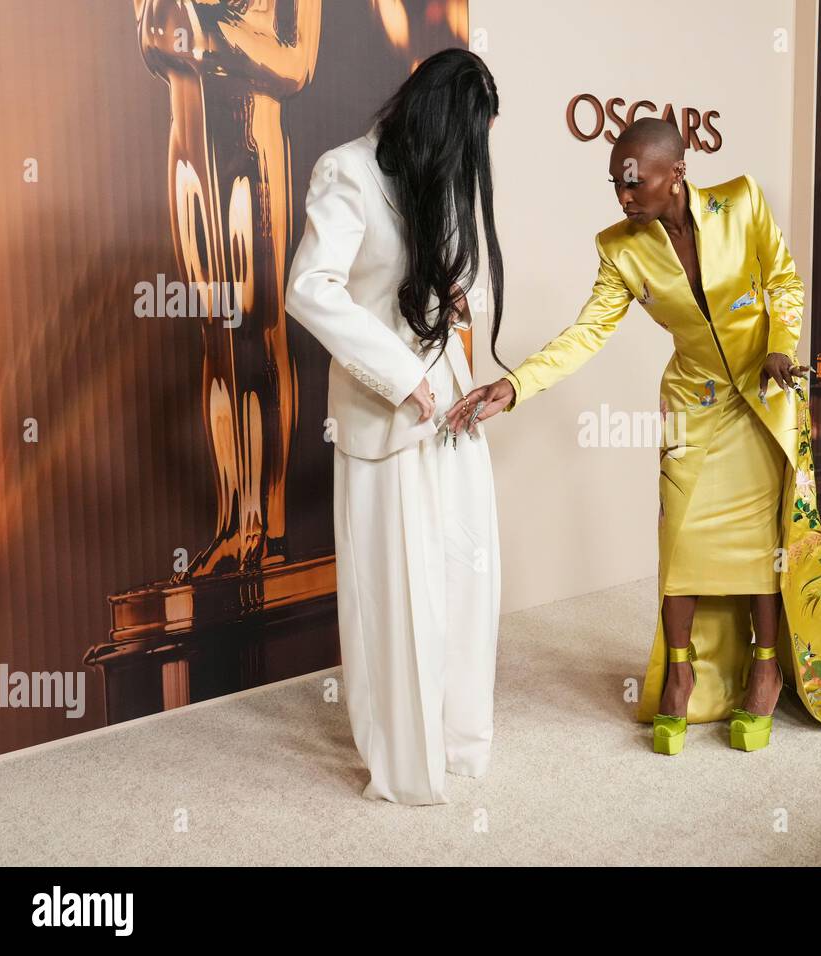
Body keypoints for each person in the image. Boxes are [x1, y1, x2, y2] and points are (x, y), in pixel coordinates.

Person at [450, 119, 821, 755]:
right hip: (693, 407)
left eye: (634, 181)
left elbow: (782, 279)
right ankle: (679, 673)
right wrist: (516, 386)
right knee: (681, 548)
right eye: (616, 183)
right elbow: (588, 332)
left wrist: (781, 346)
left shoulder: (742, 202)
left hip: (762, 395)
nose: (623, 194)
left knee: (761, 548)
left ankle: (764, 671)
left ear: (677, 173)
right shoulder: (620, 248)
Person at [284, 50, 506, 805]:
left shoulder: (438, 176)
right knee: (398, 593)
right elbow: (310, 289)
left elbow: (439, 272)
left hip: (446, 406)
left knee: (466, 576)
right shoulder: (344, 172)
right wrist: (400, 373)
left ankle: (458, 740)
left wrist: (453, 295)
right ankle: (408, 764)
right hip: (385, 414)